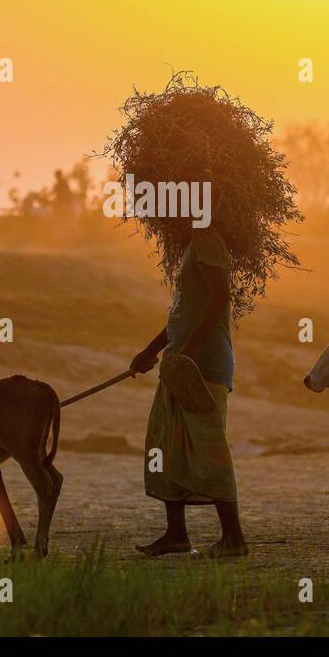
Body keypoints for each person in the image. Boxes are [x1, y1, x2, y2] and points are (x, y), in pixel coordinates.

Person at [130, 221, 246, 559]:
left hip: (202, 367)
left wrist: (189, 353)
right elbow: (184, 313)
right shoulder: (191, 246)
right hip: (179, 366)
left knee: (210, 447)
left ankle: (234, 539)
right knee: (165, 443)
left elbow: (219, 297)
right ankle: (176, 535)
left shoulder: (208, 238)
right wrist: (151, 351)